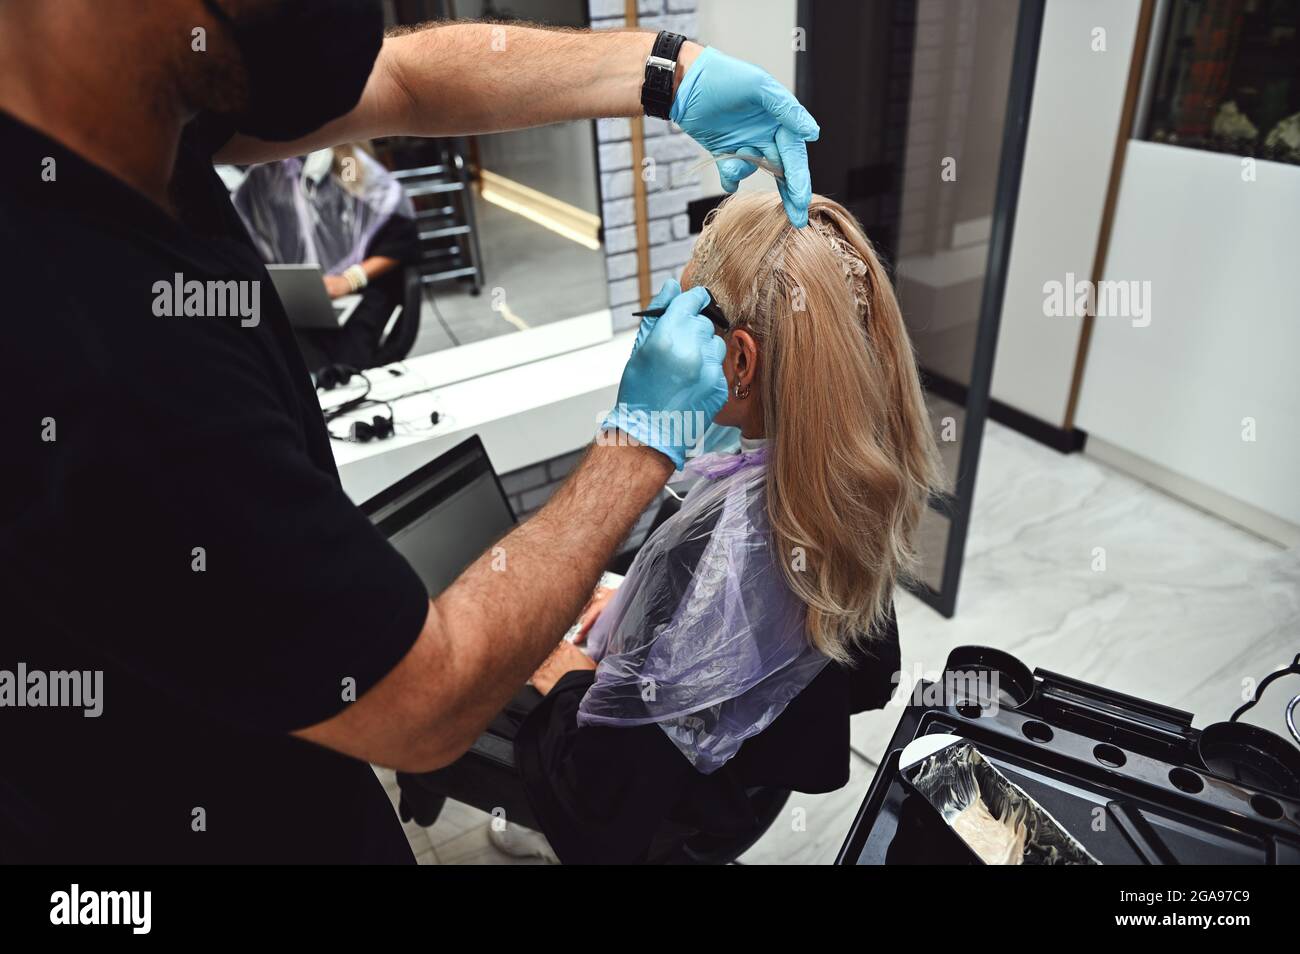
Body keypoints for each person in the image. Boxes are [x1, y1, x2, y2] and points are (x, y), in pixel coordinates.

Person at [0, 1, 819, 862]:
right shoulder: (87, 352)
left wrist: (670, 71)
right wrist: (641, 441)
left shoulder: (137, 98)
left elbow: (398, 78)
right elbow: (426, 701)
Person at [507, 192, 943, 863]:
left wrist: (568, 678)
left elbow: (599, 803)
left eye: (683, 326)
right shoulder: (856, 480)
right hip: (750, 783)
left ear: (740, 361)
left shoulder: (725, 546)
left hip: (673, 811)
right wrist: (630, 605)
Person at [233, 143, 419, 375]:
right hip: (297, 301)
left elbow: (401, 235)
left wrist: (350, 279)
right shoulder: (263, 177)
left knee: (345, 360)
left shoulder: (350, 166)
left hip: (360, 294)